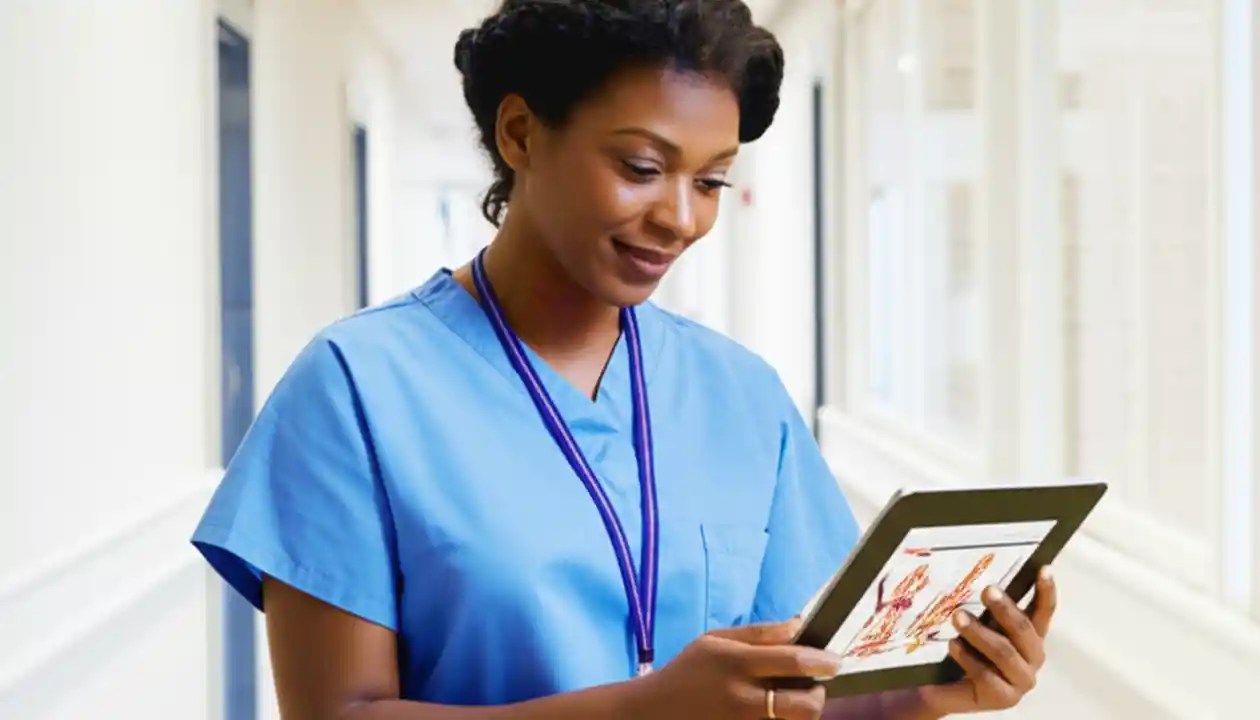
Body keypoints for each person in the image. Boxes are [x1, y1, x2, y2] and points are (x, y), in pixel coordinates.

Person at [191, 1, 1057, 718]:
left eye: (712, 181)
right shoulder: (356, 386)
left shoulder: (739, 394)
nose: (681, 217)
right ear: (522, 134)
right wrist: (643, 711)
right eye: (642, 166)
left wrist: (937, 692)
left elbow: (798, 693)